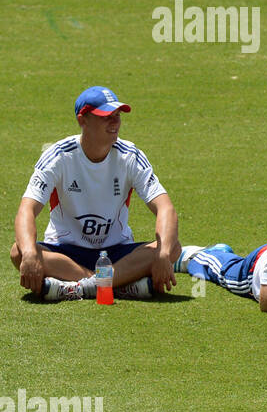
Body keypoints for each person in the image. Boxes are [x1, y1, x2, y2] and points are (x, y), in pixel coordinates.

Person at [11, 87, 183, 301]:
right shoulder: (58, 156)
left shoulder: (130, 156)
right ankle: (115, 285)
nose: (115, 123)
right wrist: (29, 253)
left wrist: (163, 254)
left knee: (172, 247)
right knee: (18, 252)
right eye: (106, 117)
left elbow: (165, 207)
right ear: (82, 120)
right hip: (66, 251)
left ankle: (82, 288)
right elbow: (26, 210)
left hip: (117, 252)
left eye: (117, 116)